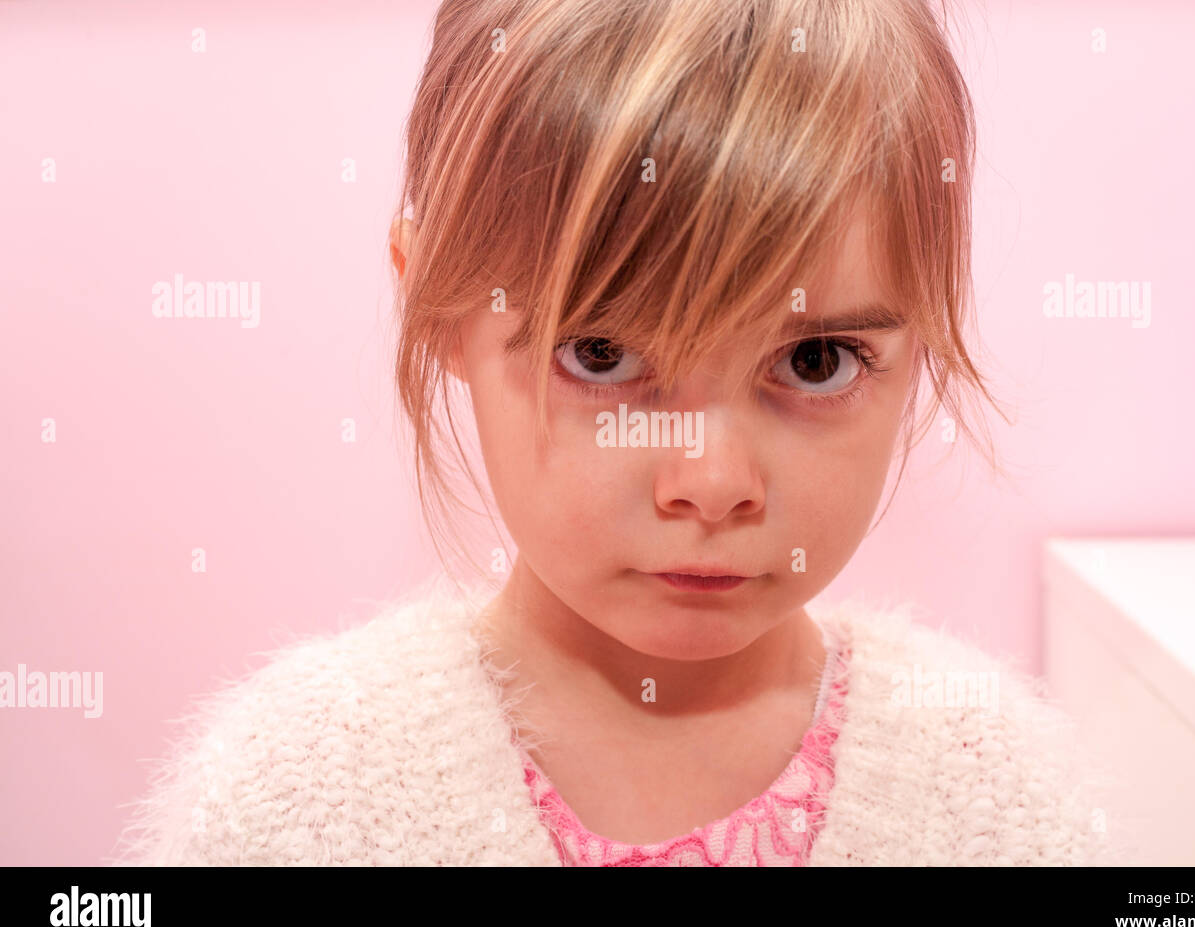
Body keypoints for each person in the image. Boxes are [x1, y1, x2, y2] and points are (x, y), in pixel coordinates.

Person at [111, 0, 1123, 866]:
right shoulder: (290, 801)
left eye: (815, 360)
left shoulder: (1000, 800)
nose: (712, 480)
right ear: (439, 310)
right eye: (601, 353)